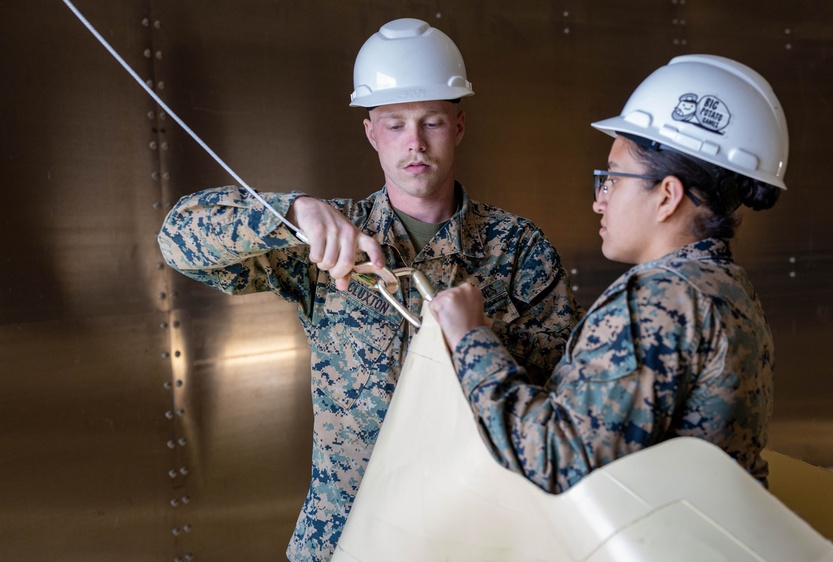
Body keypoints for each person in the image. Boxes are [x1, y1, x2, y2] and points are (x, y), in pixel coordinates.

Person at [157, 18, 581, 562]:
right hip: (345, 536)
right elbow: (178, 239)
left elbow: (557, 400)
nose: (415, 144)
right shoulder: (327, 237)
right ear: (371, 132)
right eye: (396, 125)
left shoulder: (517, 247)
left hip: (472, 535)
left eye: (431, 122)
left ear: (459, 126)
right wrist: (292, 210)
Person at [430, 54, 788, 493]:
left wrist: (470, 341)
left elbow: (555, 460)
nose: (600, 200)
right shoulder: (725, 286)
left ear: (667, 196)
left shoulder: (659, 300)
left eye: (613, 179)